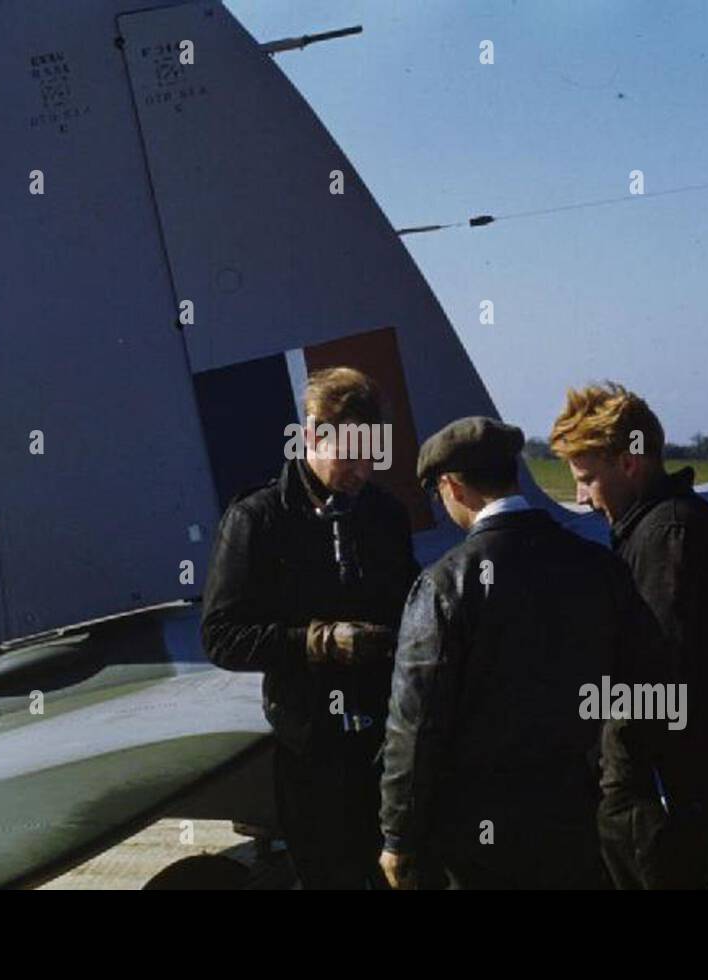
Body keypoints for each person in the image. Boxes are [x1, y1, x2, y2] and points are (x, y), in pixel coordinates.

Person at [379, 416, 664, 890]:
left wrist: (397, 834)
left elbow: (416, 722)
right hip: (573, 812)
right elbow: (641, 684)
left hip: (477, 829)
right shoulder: (597, 566)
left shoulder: (443, 585)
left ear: (451, 486)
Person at [201, 366, 418, 888]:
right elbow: (222, 637)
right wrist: (320, 642)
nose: (363, 472)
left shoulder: (384, 516)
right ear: (312, 436)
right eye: (351, 456)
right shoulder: (256, 519)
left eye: (371, 456)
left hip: (381, 745)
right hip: (310, 749)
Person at [550, 382, 708, 889]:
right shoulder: (660, 529)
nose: (580, 497)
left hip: (662, 775)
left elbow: (662, 673)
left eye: (587, 478)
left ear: (629, 463)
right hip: (668, 768)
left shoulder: (668, 537)